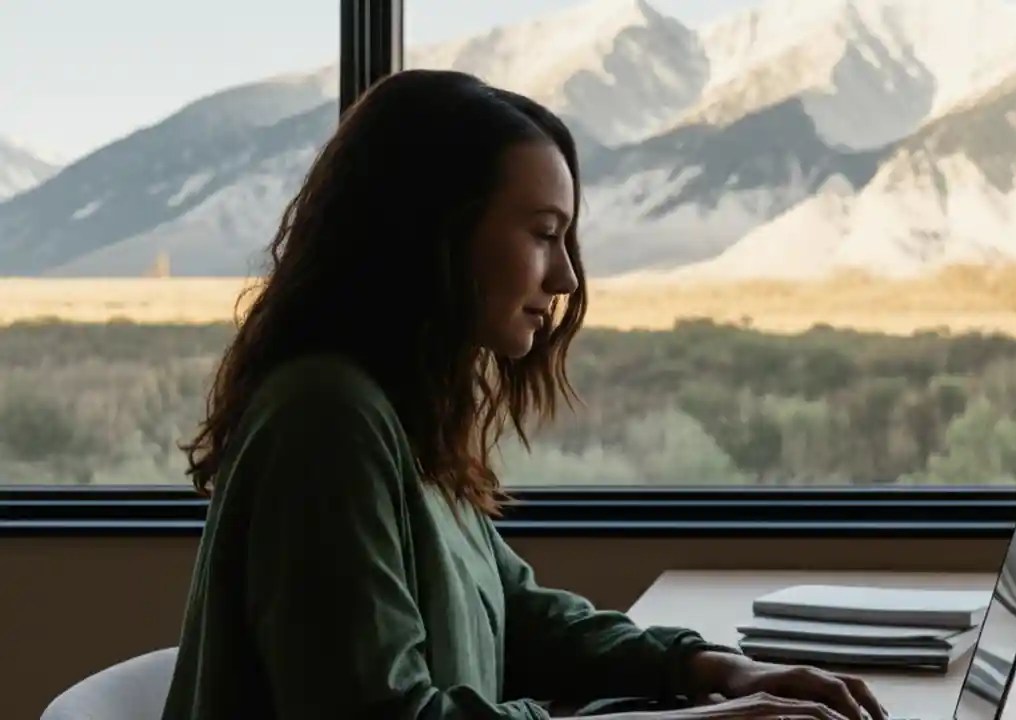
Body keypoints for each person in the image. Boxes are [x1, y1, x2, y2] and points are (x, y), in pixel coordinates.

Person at [160, 69, 887, 720]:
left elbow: (514, 612)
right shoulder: (326, 420)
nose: (567, 278)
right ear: (432, 230)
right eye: (544, 233)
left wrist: (713, 668)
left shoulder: (401, 412)